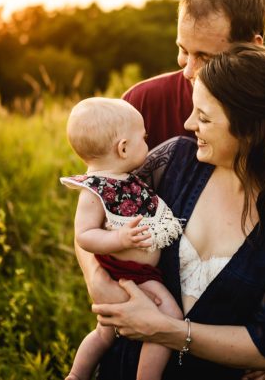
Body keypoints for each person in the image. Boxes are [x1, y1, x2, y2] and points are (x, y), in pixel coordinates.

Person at [74, 0, 265, 377]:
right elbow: (97, 201)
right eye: (183, 51)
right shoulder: (139, 110)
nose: (190, 71)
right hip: (138, 317)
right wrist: (100, 282)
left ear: (252, 51)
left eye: (207, 56)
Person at [61, 98, 184, 380]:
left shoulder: (126, 180)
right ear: (124, 148)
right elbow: (85, 236)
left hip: (138, 272)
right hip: (128, 273)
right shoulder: (94, 190)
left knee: (105, 333)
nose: (148, 142)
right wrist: (120, 238)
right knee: (169, 320)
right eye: (144, 138)